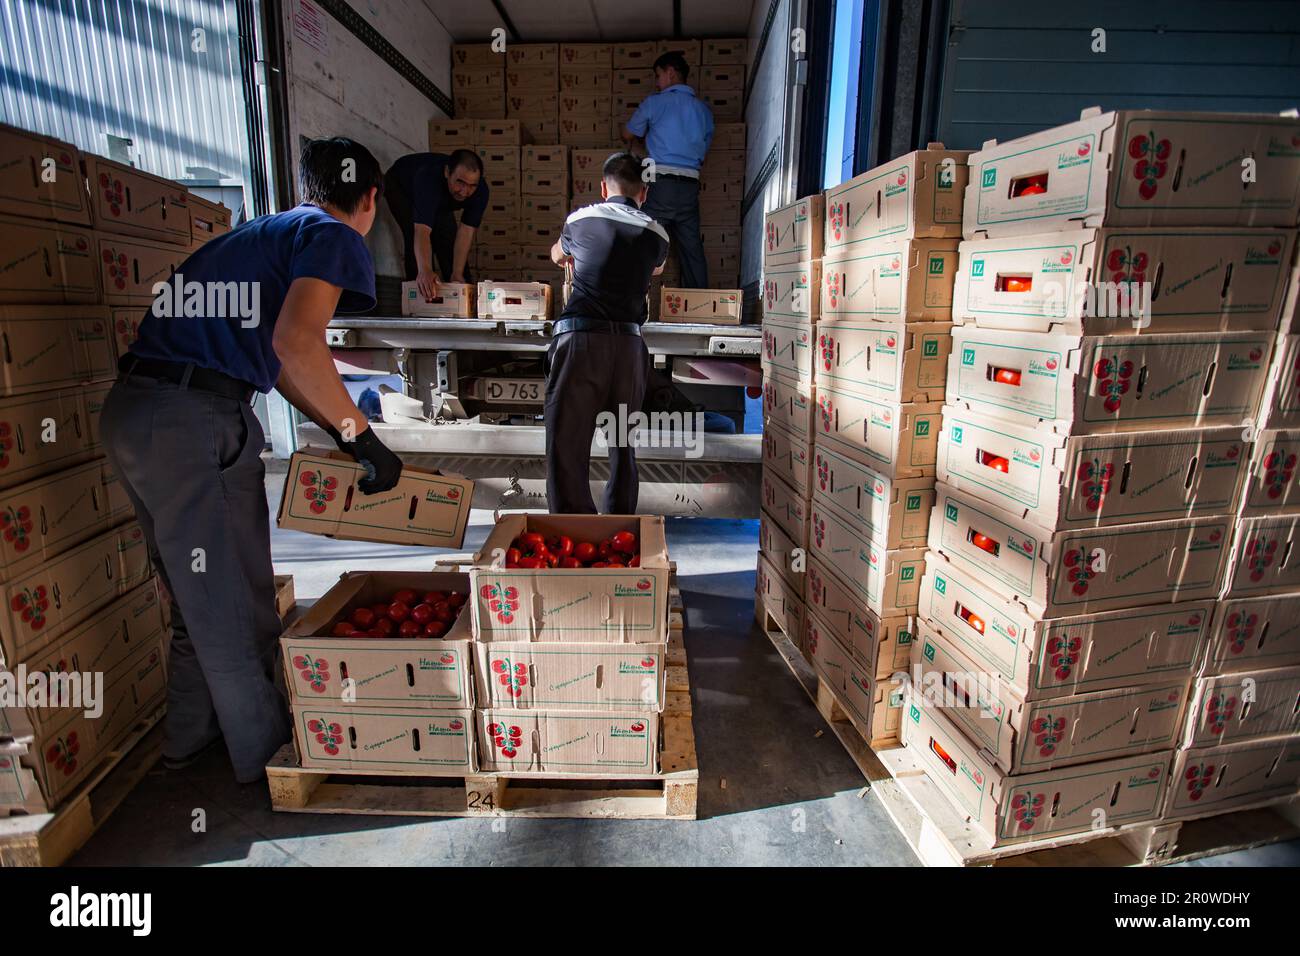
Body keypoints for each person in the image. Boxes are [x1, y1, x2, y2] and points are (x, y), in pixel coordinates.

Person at [100, 137, 405, 783]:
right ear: (370, 197)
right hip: (191, 422)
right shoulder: (333, 234)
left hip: (140, 413)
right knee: (239, 605)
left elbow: (280, 356)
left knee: (198, 596)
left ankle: (187, 744)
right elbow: (298, 342)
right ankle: (272, 764)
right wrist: (362, 435)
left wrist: (344, 431)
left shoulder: (265, 231)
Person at [546, 152, 669, 514]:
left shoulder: (580, 218)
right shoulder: (657, 231)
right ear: (643, 193)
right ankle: (617, 532)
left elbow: (557, 254)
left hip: (582, 340)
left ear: (603, 187)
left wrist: (570, 254)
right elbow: (657, 270)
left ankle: (575, 536)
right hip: (629, 347)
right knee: (622, 446)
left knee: (567, 445)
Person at [622, 50, 714, 289]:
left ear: (671, 73)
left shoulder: (655, 102)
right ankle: (698, 303)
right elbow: (704, 148)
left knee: (647, 240)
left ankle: (634, 297)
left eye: (658, 75)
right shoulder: (703, 111)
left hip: (659, 180)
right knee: (691, 247)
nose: (657, 82)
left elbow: (628, 133)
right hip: (690, 185)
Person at [384, 149, 488, 299]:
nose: (465, 192)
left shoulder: (481, 191)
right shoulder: (428, 178)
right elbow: (422, 231)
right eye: (460, 182)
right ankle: (418, 299)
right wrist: (425, 269)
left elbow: (466, 231)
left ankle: (460, 297)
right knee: (414, 238)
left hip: (440, 198)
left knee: (448, 241)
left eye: (472, 185)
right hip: (401, 187)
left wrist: (457, 273)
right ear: (447, 172)